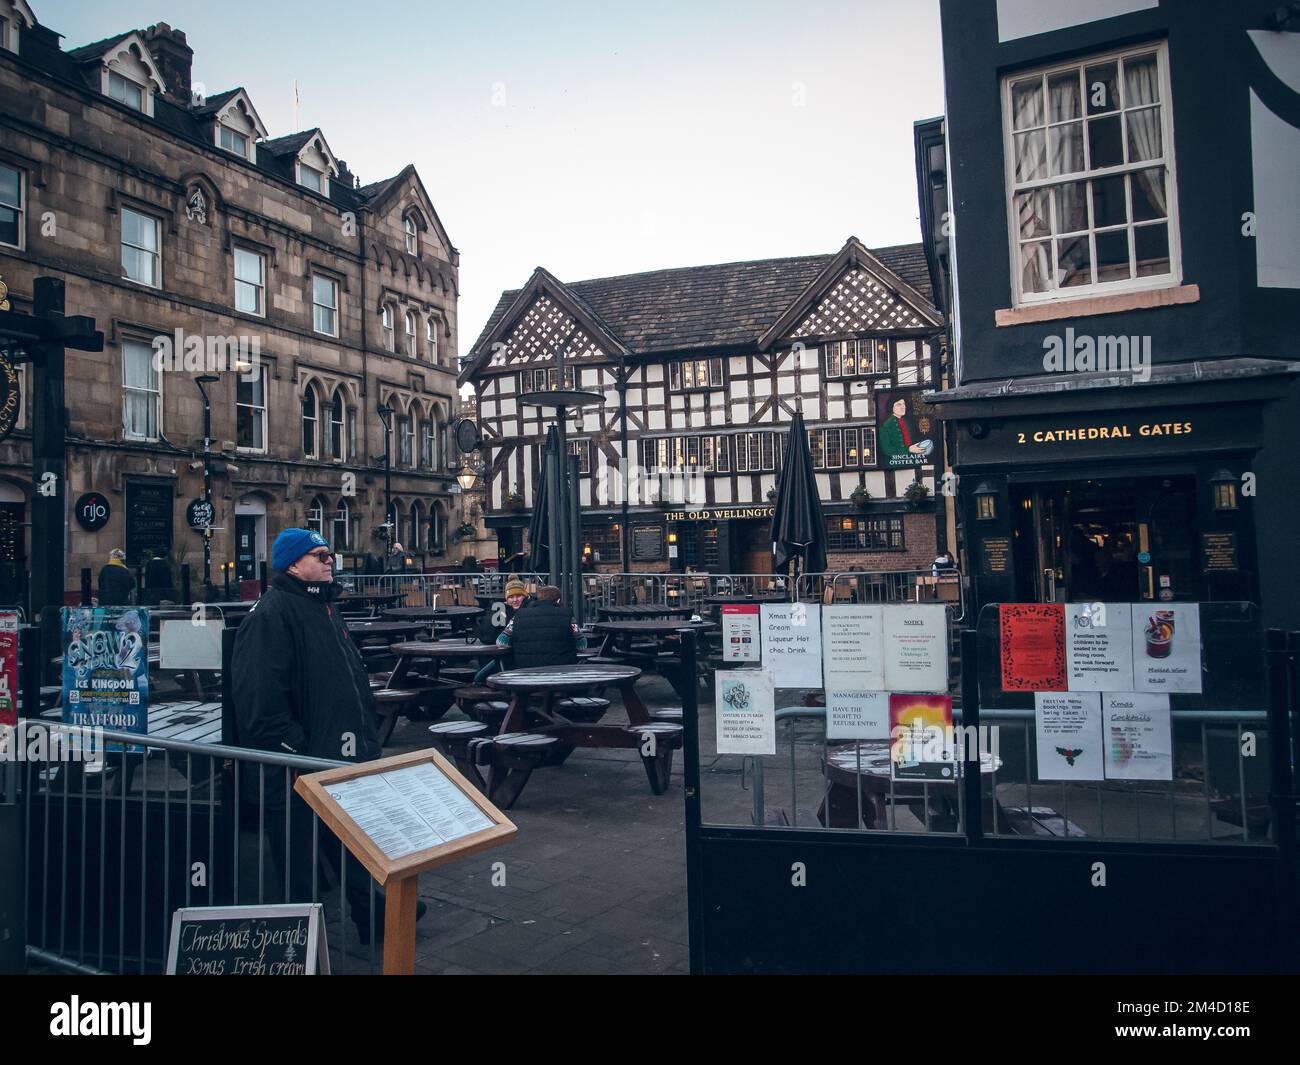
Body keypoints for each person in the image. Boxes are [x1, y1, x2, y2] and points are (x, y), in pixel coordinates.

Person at [232, 527, 423, 943]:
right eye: (319, 555)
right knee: (298, 860)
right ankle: (297, 943)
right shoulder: (271, 615)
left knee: (351, 841)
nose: (329, 560)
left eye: (329, 554)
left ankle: (371, 914)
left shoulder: (325, 608)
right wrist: (296, 752)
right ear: (293, 564)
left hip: (341, 755)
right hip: (300, 766)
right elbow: (259, 702)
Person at [495, 585, 586, 669]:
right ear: (558, 600)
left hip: (525, 670)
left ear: (538, 599)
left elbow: (501, 642)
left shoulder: (518, 615)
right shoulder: (567, 614)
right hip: (561, 669)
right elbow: (582, 645)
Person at [474, 575, 528, 683]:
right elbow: (487, 635)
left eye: (519, 596)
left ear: (525, 596)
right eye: (511, 597)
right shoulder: (500, 610)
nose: (515, 599)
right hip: (502, 655)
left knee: (478, 679)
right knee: (479, 677)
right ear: (506, 598)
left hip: (511, 657)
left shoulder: (528, 611)